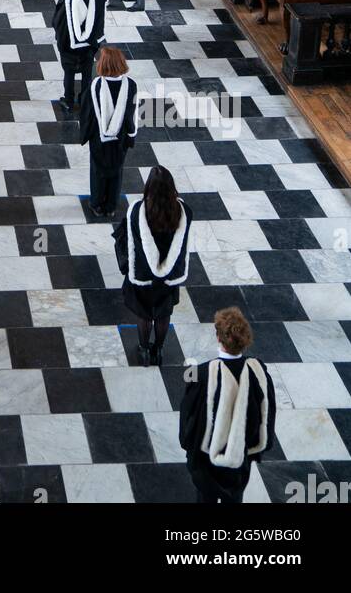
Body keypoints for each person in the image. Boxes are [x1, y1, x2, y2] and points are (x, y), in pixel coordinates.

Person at [179, 306, 277, 505]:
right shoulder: (258, 371)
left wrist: (188, 445)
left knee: (205, 499)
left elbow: (189, 416)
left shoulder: (202, 373)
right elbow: (267, 411)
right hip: (242, 451)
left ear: (219, 338)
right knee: (235, 497)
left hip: (207, 456)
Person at [113, 165, 192, 366]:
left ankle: (144, 349)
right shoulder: (184, 212)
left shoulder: (138, 212)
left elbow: (129, 241)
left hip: (143, 275)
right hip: (169, 277)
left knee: (144, 314)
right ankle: (159, 349)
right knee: (164, 313)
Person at [78, 45, 137, 218]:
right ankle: (111, 206)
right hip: (121, 138)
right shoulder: (131, 85)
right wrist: (130, 136)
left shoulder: (95, 85)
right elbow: (130, 113)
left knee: (97, 171)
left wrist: (85, 135)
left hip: (99, 138)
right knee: (117, 170)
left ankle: (96, 204)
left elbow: (87, 113)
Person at [51, 0, 106, 112]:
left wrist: (61, 43)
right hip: (90, 45)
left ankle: (68, 101)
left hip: (70, 46)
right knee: (87, 74)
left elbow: (58, 22)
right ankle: (84, 100)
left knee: (69, 74)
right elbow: (100, 18)